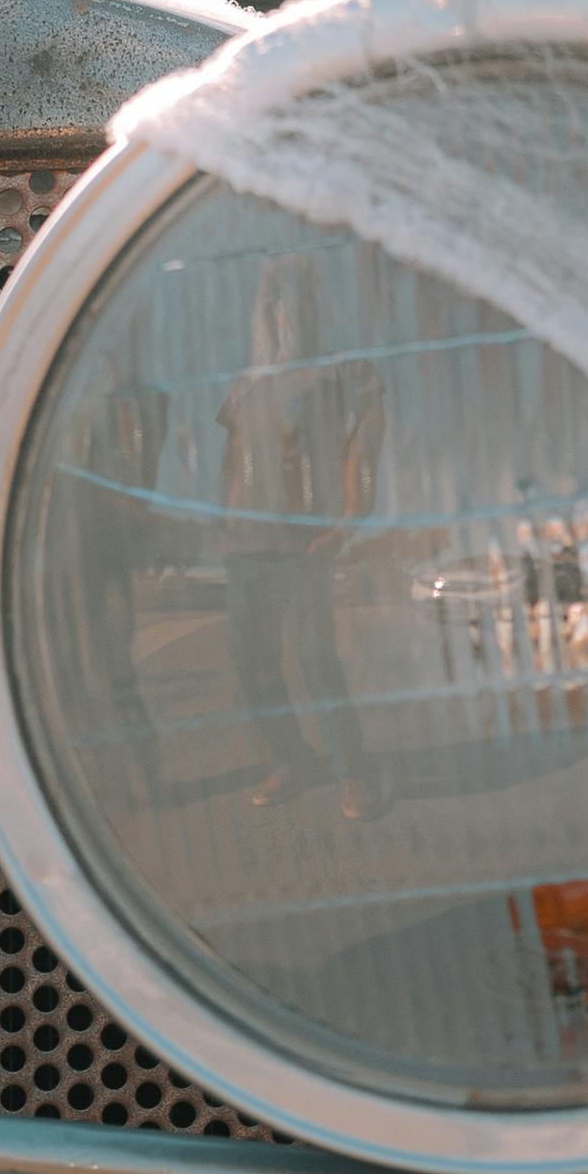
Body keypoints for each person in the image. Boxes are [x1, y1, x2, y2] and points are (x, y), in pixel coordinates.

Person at [217, 251, 386, 815]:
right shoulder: (247, 385)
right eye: (269, 305)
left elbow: (367, 433)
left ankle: (355, 770)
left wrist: (351, 515)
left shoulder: (341, 372)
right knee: (249, 662)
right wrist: (223, 521)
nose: (277, 315)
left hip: (303, 540)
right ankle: (290, 758)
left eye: (289, 303)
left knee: (315, 657)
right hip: (245, 544)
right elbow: (231, 456)